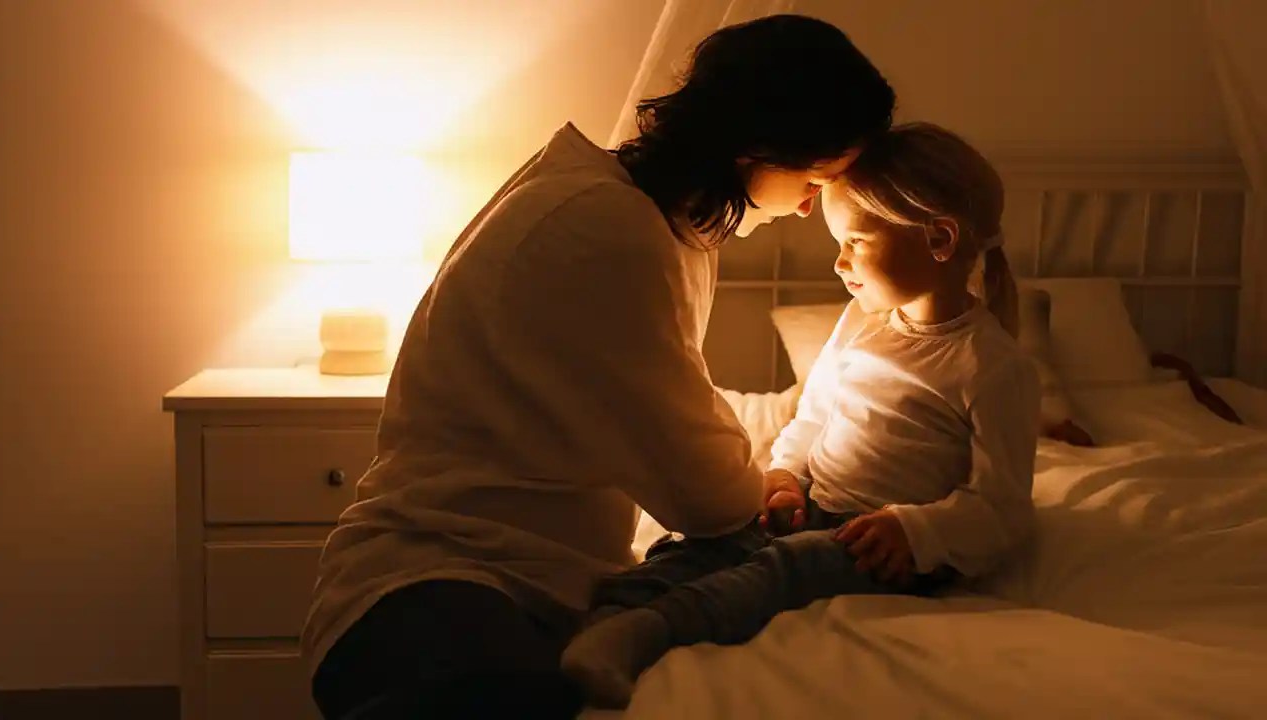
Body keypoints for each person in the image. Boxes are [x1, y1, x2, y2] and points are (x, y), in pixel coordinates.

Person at [303, 14, 895, 720]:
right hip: (435, 576)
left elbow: (671, 405)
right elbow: (707, 496)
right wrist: (759, 482)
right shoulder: (606, 229)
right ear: (758, 146)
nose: (807, 208)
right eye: (816, 178)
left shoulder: (655, 221)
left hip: (521, 580)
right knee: (511, 701)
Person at [559, 123, 1042, 709]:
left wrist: (916, 531)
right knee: (716, 536)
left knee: (786, 567)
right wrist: (786, 473)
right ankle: (614, 607)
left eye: (855, 242)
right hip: (816, 505)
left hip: (887, 546)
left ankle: (649, 631)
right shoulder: (861, 322)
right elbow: (815, 414)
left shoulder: (992, 366)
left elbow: (1002, 508)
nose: (840, 263)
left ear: (939, 238)